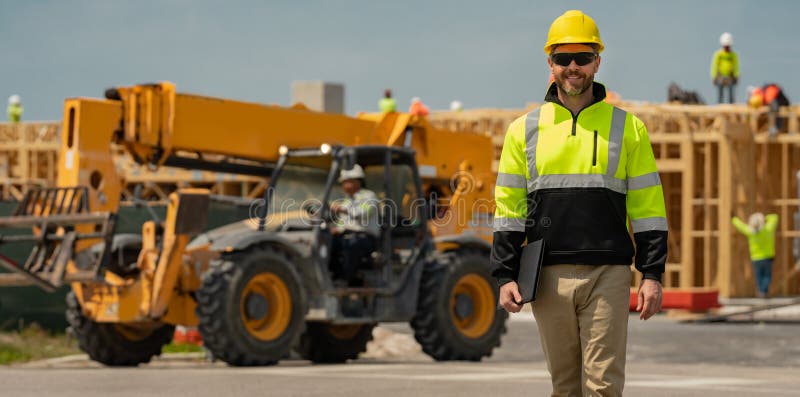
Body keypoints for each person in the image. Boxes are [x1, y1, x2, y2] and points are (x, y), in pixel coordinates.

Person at [491, 10, 667, 396]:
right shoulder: (523, 130)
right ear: (550, 63)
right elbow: (509, 206)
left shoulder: (628, 128)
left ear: (597, 62)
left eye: (583, 58)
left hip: (609, 272)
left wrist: (651, 273)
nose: (574, 67)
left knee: (602, 385)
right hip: (548, 275)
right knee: (565, 386)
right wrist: (505, 274)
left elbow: (648, 205)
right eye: (564, 58)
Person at [329, 164, 380, 284]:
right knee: (328, 241)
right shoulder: (347, 200)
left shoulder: (369, 196)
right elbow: (343, 222)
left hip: (366, 237)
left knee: (351, 244)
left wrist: (343, 209)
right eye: (343, 182)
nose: (345, 186)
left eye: (348, 182)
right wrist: (337, 229)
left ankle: (347, 278)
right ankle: (334, 275)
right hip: (349, 235)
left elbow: (363, 213)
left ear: (358, 182)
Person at [732, 212, 778, 298]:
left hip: (756, 258)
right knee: (767, 276)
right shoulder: (767, 229)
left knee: (759, 276)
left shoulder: (751, 231)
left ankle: (761, 291)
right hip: (767, 257)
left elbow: (741, 226)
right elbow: (774, 217)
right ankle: (764, 291)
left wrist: (734, 219)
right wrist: (765, 217)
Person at [711, 32, 739, 104]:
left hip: (730, 75)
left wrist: (736, 76)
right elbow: (714, 65)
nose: (726, 48)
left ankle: (731, 104)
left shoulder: (733, 55)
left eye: (728, 46)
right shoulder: (718, 54)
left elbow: (736, 65)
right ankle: (720, 105)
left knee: (731, 92)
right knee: (720, 93)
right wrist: (714, 76)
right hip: (720, 76)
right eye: (725, 46)